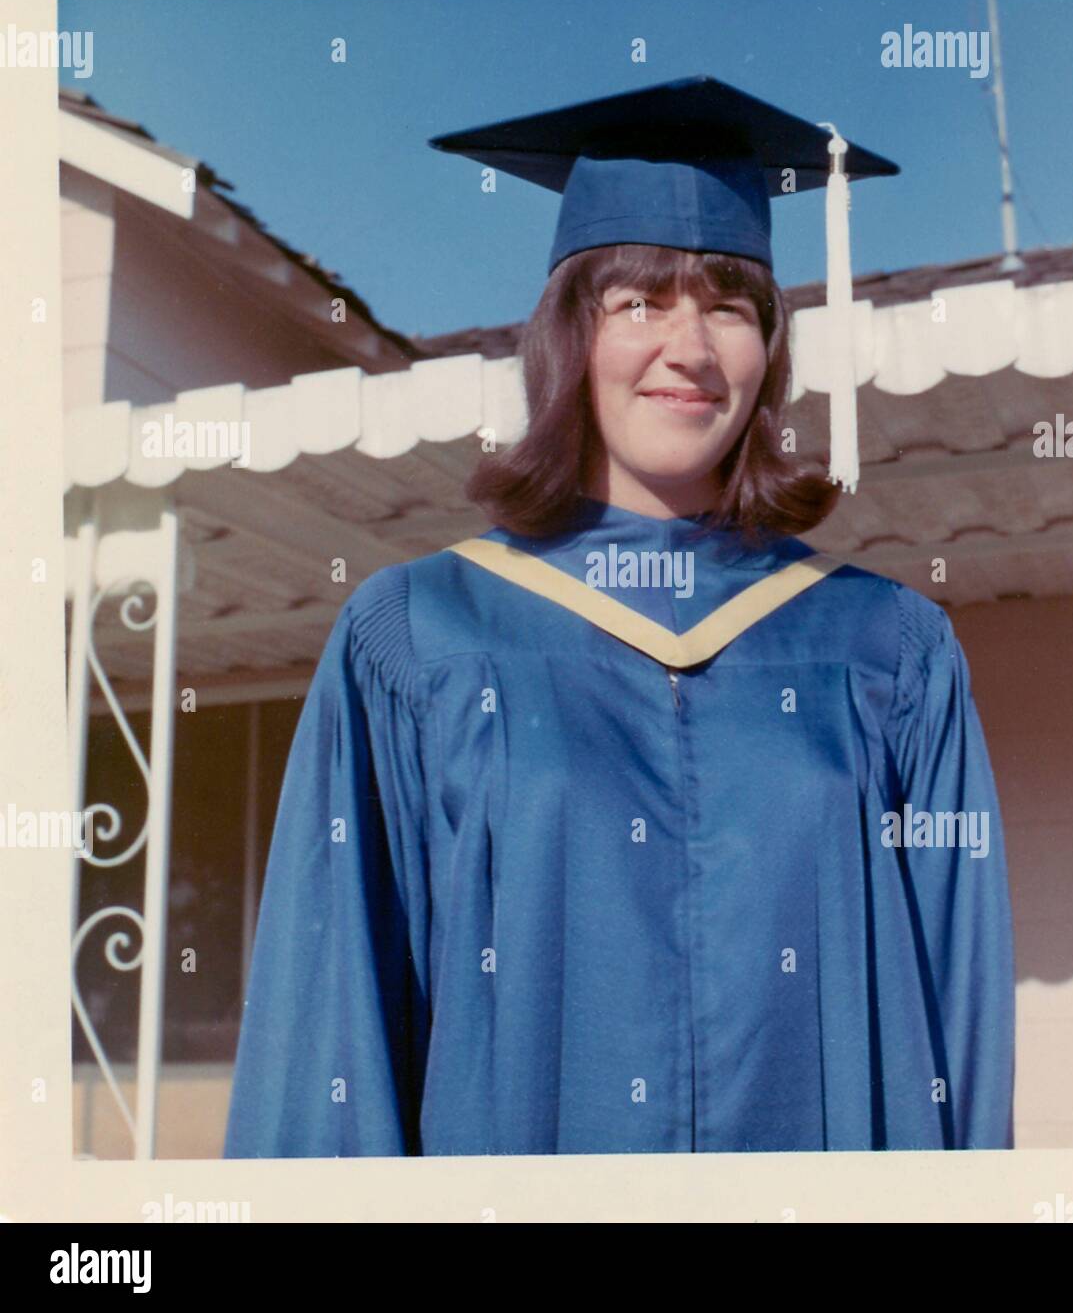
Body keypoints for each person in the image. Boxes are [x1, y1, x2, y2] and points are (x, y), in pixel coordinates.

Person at [223, 75, 1016, 1158]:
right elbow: (331, 1032)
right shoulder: (420, 637)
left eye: (729, 306)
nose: (690, 347)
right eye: (639, 302)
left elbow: (958, 1027)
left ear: (769, 350)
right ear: (568, 338)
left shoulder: (885, 649)